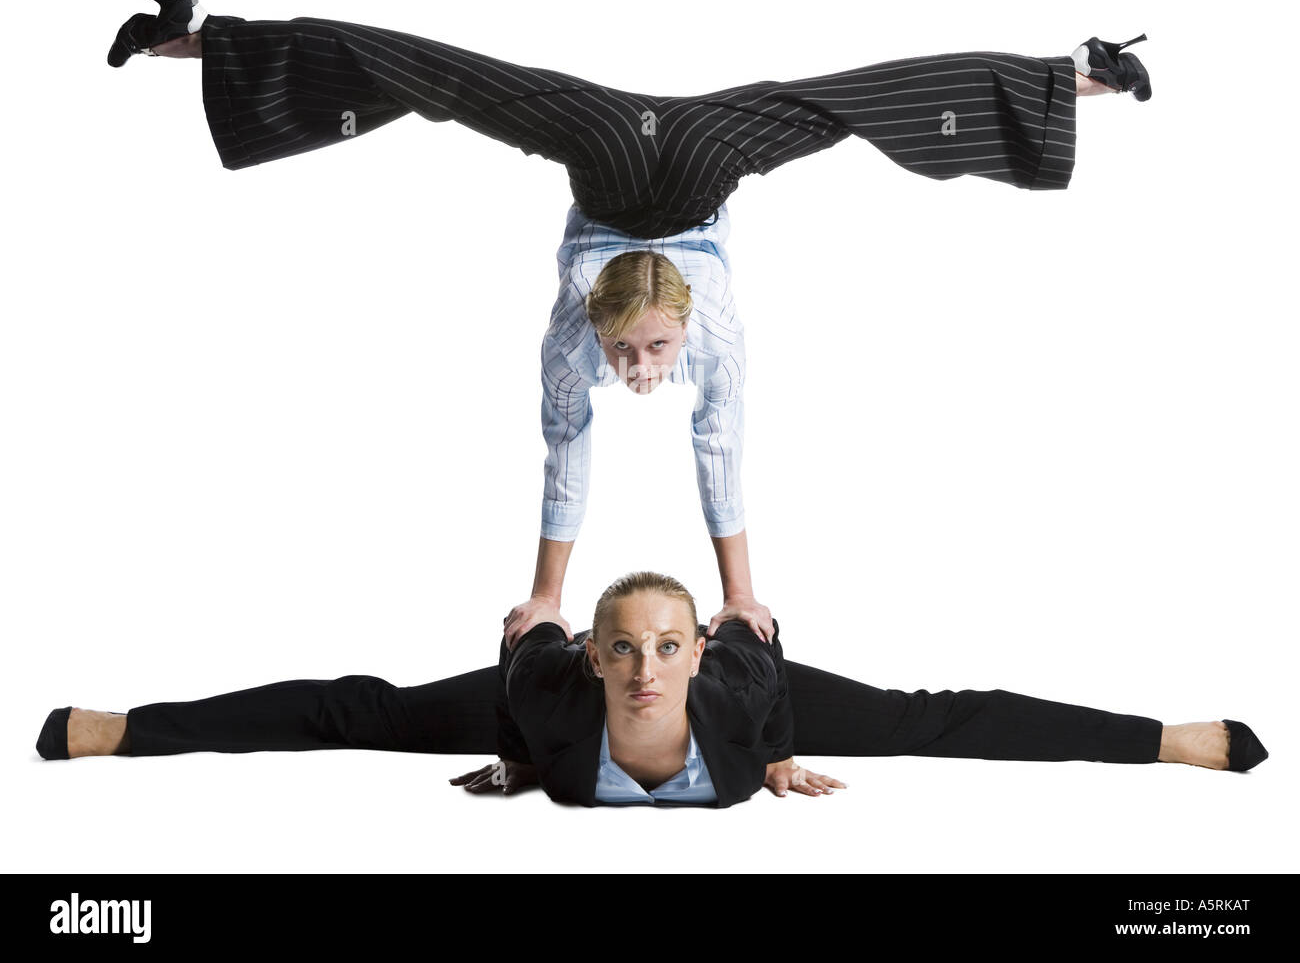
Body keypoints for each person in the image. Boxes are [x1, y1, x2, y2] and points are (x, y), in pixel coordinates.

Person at [106, 0, 1154, 648]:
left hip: (641, 145)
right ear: (613, 324)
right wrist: (590, 598)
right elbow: (678, 444)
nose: (645, 366)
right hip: (670, 147)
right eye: (638, 351)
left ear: (670, 322)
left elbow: (662, 445)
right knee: (840, 100)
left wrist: (572, 598)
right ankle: (1087, 75)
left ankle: (192, 37)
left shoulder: (621, 337)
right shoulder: (643, 335)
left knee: (451, 81)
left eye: (649, 351)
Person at [35, 571, 1266, 807]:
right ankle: (123, 729)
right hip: (536, 689)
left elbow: (754, 669)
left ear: (687, 656)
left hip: (751, 676)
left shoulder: (730, 693)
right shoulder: (563, 690)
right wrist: (525, 729)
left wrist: (772, 736)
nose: (638, 669)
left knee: (922, 721)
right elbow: (535, 659)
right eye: (620, 650)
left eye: (657, 649)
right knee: (359, 712)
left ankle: (1173, 737)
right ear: (596, 659)